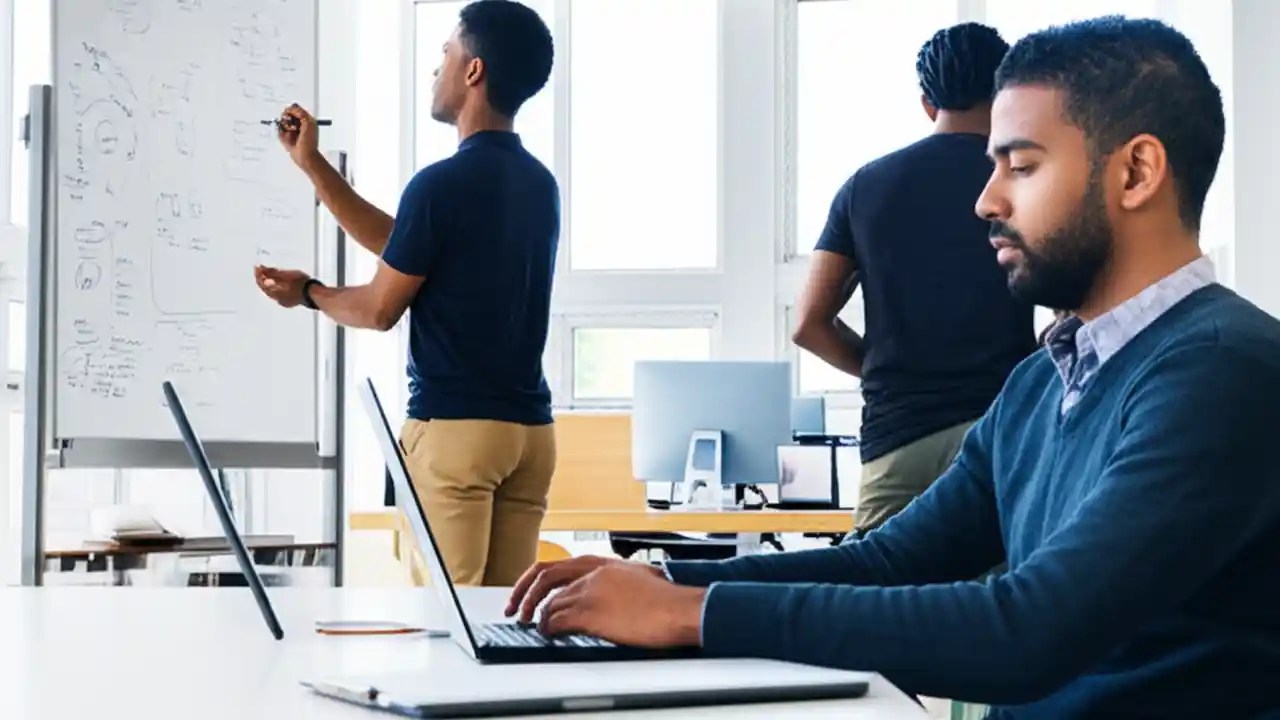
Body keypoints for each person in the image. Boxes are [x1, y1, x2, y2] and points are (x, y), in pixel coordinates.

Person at [503, 17, 1280, 718]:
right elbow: (890, 560)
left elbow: (1029, 630)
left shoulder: (1222, 372)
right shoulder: (1041, 383)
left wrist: (691, 616)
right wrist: (665, 584)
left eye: (1021, 165)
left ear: (1137, 173)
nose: (985, 200)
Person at [256, 0, 558, 587]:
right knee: (499, 625)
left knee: (446, 629)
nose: (436, 68)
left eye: (445, 53)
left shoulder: (440, 185)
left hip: (457, 434)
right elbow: (408, 246)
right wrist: (314, 167)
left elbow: (378, 308)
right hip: (528, 437)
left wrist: (310, 293)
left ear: (473, 70)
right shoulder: (539, 184)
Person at [793, 22, 1036, 534]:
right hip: (1004, 428)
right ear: (1005, 92)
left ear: (928, 103)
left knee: (875, 593)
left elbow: (808, 324)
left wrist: (885, 371)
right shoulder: (1029, 181)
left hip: (897, 434)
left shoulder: (865, 187)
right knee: (998, 600)